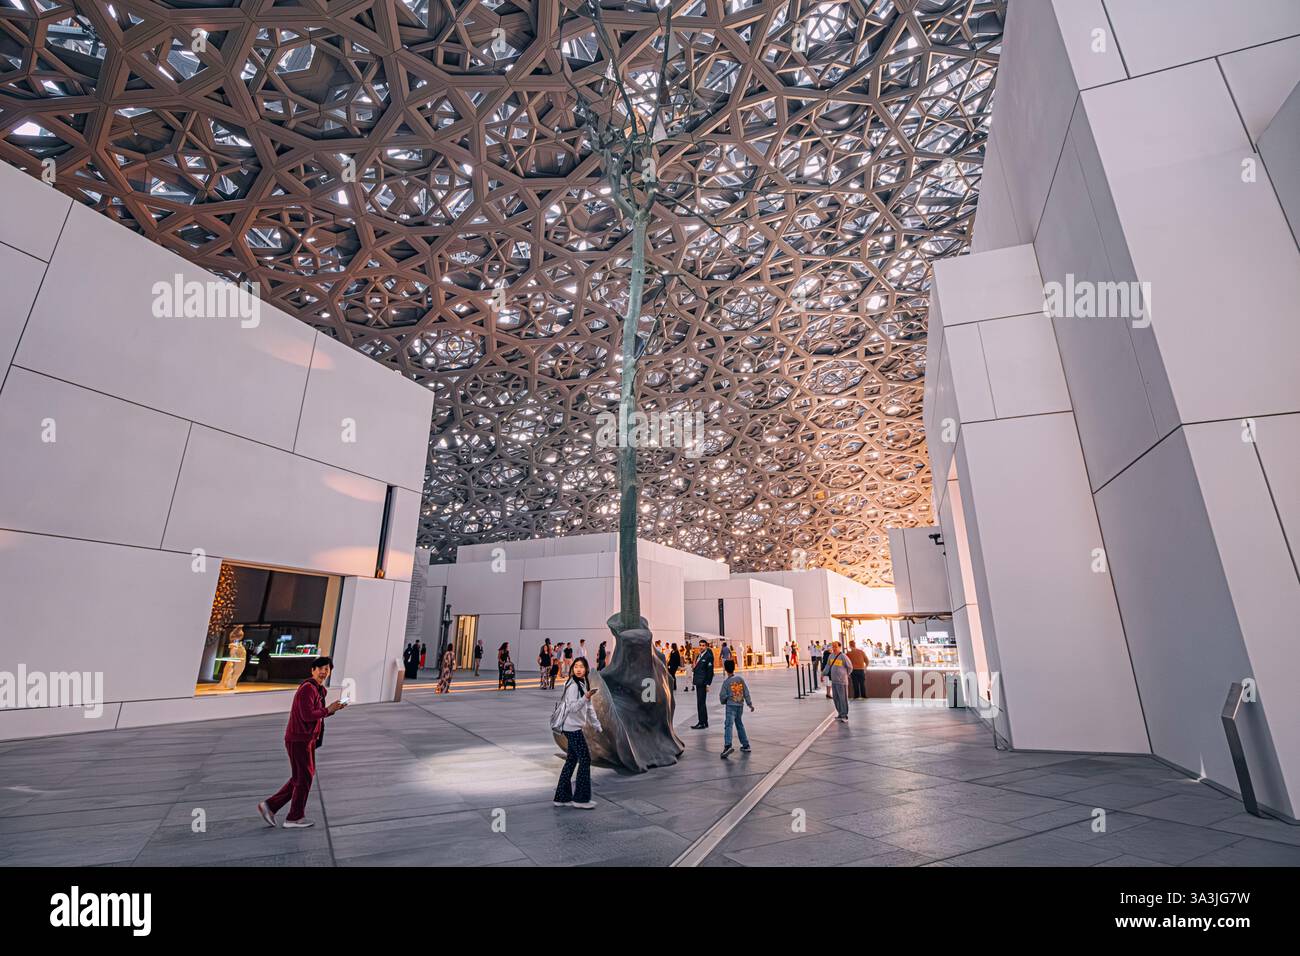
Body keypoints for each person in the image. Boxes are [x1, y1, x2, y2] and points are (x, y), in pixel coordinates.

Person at [258, 656, 346, 829]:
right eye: (320, 668)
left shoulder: (319, 690)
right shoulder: (308, 689)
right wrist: (328, 709)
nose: (323, 672)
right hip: (299, 739)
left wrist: (331, 710)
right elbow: (307, 715)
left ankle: (270, 806)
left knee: (302, 777)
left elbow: (315, 712)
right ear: (312, 670)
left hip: (307, 739)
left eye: (327, 669)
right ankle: (293, 817)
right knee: (304, 777)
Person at [553, 657, 602, 810]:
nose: (578, 669)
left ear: (586, 669)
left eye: (581, 667)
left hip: (573, 727)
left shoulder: (581, 683)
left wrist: (597, 725)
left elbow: (588, 707)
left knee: (571, 761)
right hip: (571, 728)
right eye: (576, 667)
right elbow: (573, 707)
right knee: (585, 759)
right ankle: (581, 799)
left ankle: (561, 797)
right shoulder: (573, 685)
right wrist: (586, 697)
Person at [717, 659, 754, 758]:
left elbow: (722, 696)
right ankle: (745, 745)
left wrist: (725, 701)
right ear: (734, 668)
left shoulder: (726, 683)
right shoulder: (740, 679)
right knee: (739, 724)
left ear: (725, 669)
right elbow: (746, 692)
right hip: (740, 706)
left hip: (731, 706)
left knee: (728, 725)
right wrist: (749, 704)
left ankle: (728, 745)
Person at [822, 641, 852, 721]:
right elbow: (828, 666)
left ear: (839, 647)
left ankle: (844, 715)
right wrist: (823, 674)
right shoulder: (831, 656)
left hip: (842, 681)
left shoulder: (843, 656)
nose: (834, 648)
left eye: (835, 647)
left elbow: (850, 667)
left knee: (843, 698)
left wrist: (845, 674)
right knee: (836, 698)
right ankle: (840, 713)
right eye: (833, 646)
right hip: (834, 681)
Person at [690, 640, 715, 729]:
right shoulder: (699, 655)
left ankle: (702, 723)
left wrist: (708, 684)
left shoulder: (708, 656)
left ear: (706, 646)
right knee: (701, 703)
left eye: (703, 645)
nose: (701, 647)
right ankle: (704, 722)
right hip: (698, 681)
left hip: (703, 682)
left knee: (701, 703)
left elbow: (710, 672)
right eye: (700, 645)